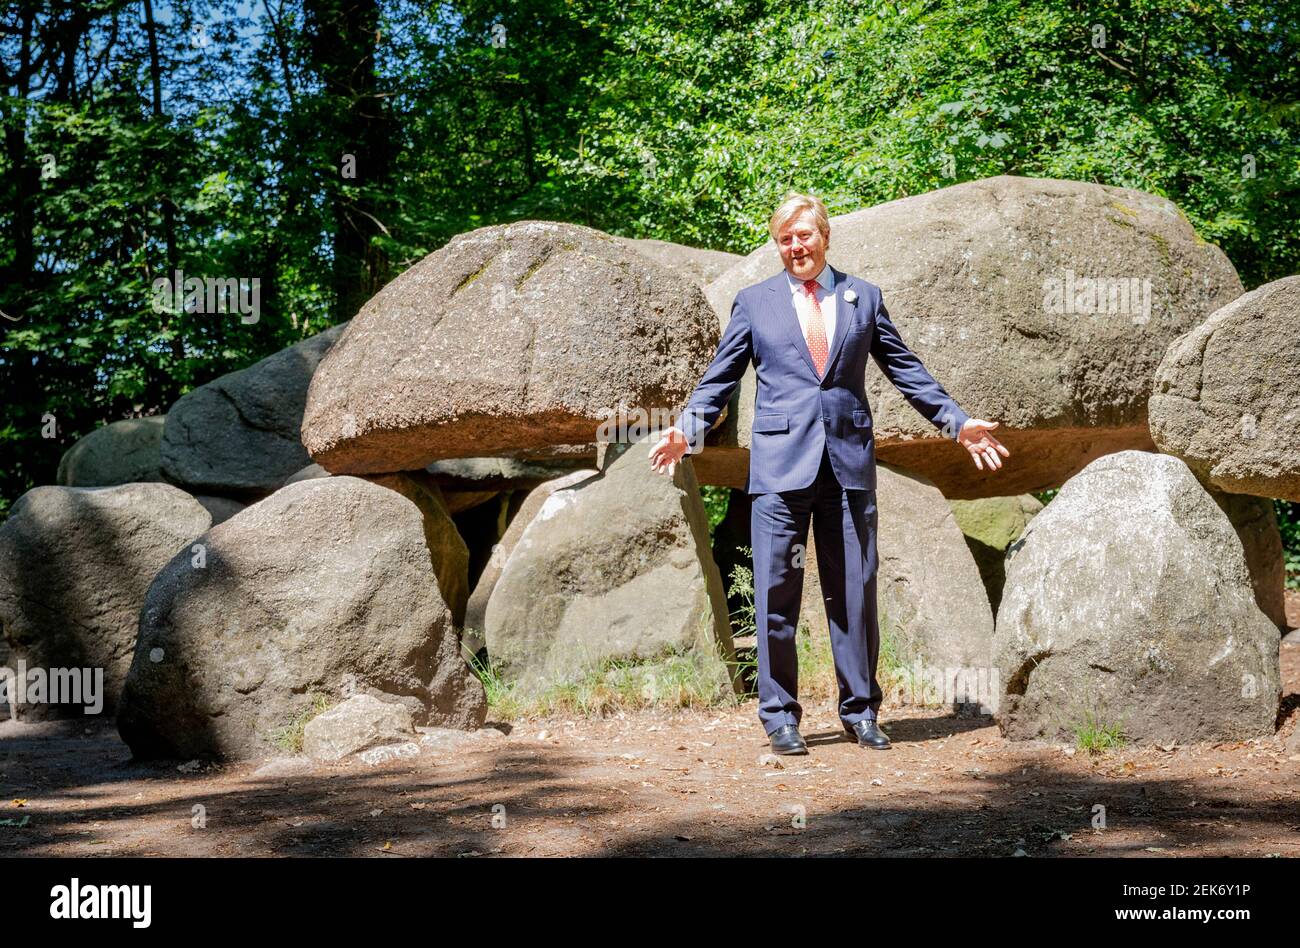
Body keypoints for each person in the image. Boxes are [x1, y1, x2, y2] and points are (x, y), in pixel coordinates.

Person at [649, 192, 1009, 754]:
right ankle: (780, 717)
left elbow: (905, 368)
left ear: (824, 237)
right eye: (785, 239)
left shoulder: (862, 297)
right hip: (779, 470)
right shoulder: (754, 302)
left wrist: (955, 422)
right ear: (778, 244)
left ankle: (861, 711)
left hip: (847, 468)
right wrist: (686, 427)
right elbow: (720, 377)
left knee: (856, 592)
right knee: (775, 594)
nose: (796, 247)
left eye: (805, 236)